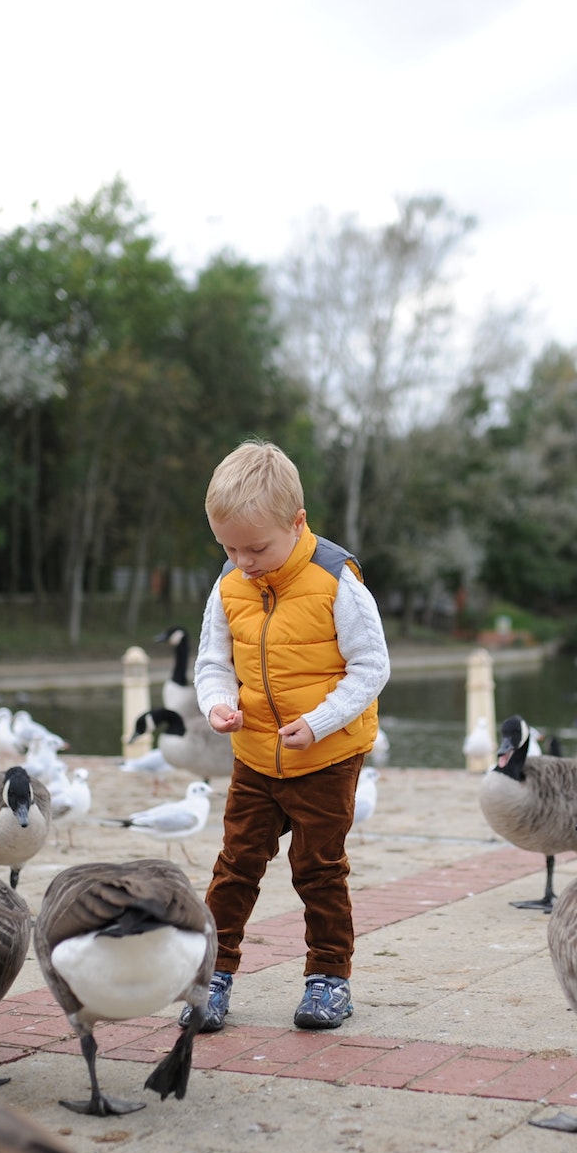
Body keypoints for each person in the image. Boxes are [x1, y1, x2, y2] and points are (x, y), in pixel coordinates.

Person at [188, 440, 389, 1032]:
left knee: (318, 867)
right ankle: (211, 977)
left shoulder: (336, 581)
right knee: (235, 866)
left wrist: (321, 721)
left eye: (256, 547)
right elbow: (211, 663)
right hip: (254, 756)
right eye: (228, 547)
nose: (243, 560)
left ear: (297, 523)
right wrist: (218, 702)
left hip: (326, 757)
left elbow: (371, 667)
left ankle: (329, 978)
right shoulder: (229, 585)